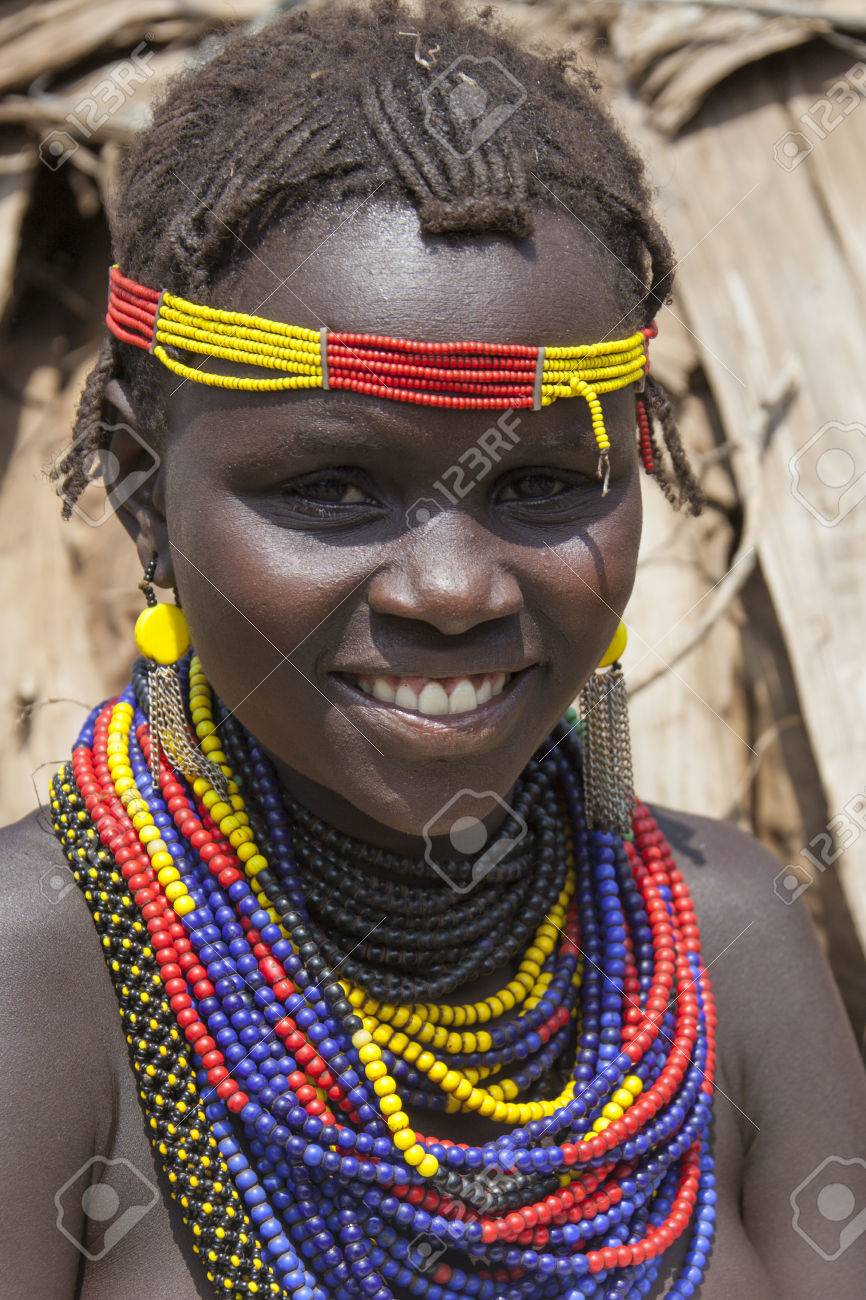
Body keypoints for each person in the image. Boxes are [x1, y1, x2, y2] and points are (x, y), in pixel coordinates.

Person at [1, 1, 864, 1297]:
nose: (455, 591)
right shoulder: (41, 972)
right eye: (331, 489)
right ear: (140, 488)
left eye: (541, 485)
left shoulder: (724, 934)